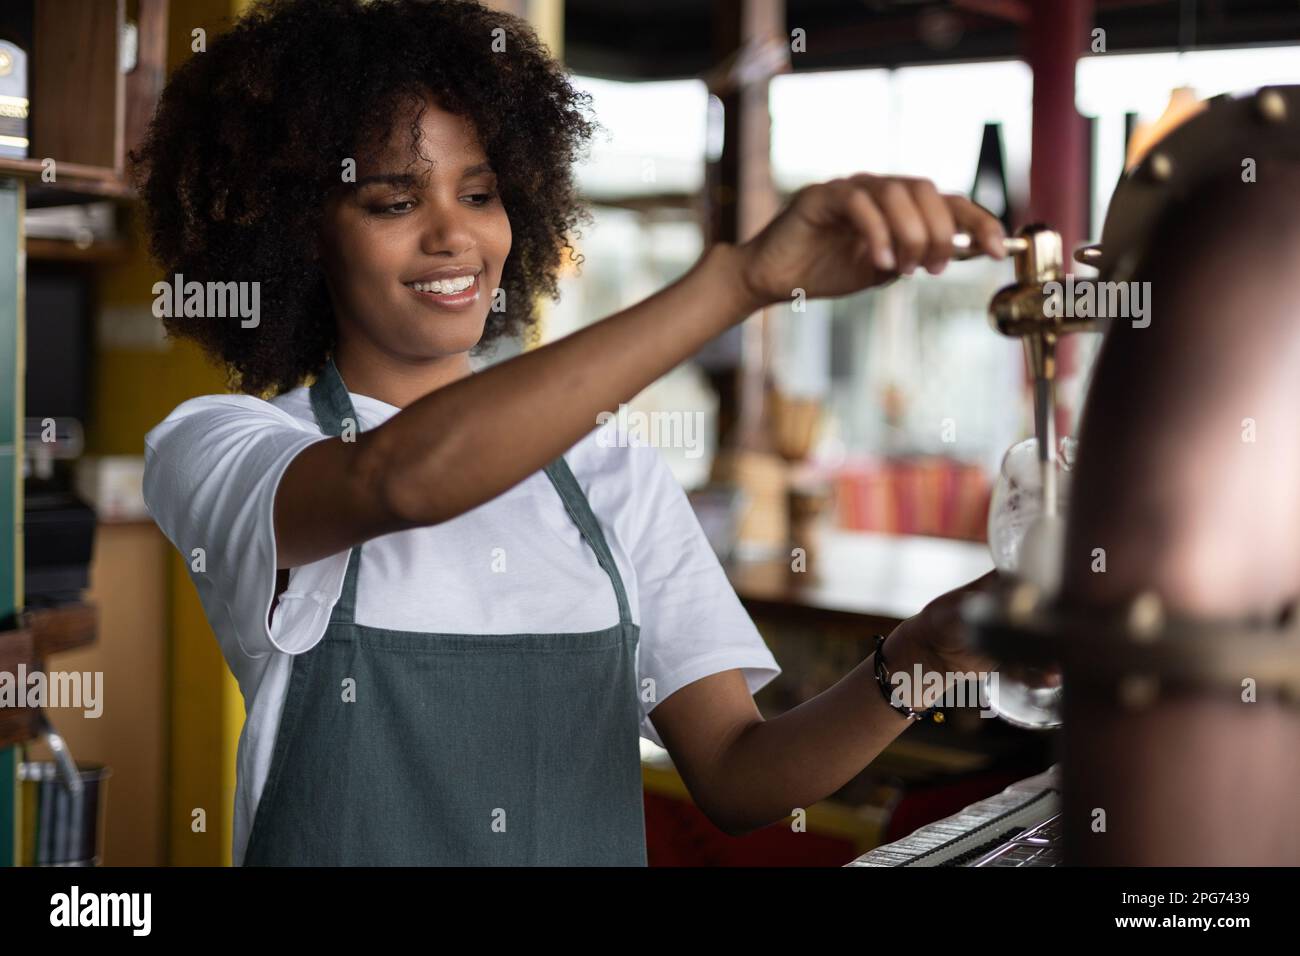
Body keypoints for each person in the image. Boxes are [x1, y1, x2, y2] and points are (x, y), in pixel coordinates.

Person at [136, 0, 1006, 866]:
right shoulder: (227, 445)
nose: (454, 236)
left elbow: (741, 778)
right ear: (301, 235)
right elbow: (401, 480)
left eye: (479, 193)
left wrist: (917, 658)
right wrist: (736, 283)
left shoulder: (609, 469)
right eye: (393, 203)